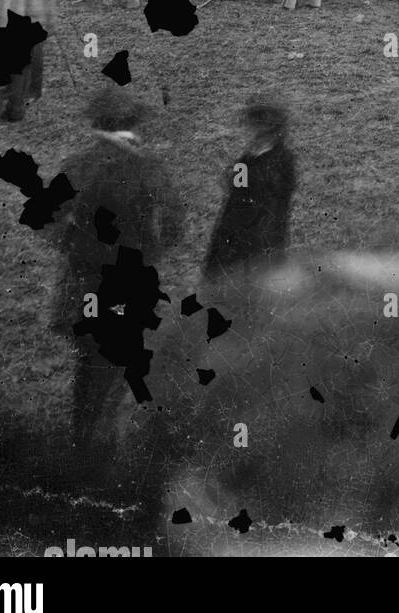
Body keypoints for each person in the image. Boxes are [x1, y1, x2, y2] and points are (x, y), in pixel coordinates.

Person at [50, 89, 182, 451]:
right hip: (130, 281)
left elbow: (48, 219)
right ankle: (102, 445)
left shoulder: (78, 165)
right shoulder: (149, 167)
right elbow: (174, 225)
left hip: (85, 283)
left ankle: (83, 438)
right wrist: (150, 252)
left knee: (88, 363)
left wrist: (76, 247)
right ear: (133, 123)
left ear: (96, 124)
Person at [202, 96, 297, 281]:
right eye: (254, 125)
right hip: (237, 231)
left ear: (271, 129)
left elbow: (278, 196)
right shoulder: (246, 158)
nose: (253, 131)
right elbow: (235, 196)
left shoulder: (282, 160)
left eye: (259, 125)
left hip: (263, 235)